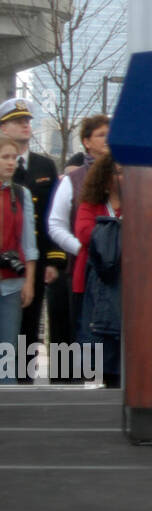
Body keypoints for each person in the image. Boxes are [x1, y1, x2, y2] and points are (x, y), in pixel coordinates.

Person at [0, 98, 60, 384]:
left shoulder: (43, 164)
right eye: (17, 121)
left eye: (28, 120)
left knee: (26, 328)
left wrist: (53, 260)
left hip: (28, 265)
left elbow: (51, 217)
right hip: (10, 265)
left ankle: (22, 390)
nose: (26, 125)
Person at [47, 113, 110, 374]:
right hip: (84, 270)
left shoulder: (126, 174)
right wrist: (83, 248)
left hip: (117, 273)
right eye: (101, 135)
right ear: (86, 141)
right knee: (83, 335)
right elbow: (55, 224)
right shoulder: (74, 180)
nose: (108, 140)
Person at [74, 152, 122, 386]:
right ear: (105, 177)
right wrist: (118, 231)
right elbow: (84, 233)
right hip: (95, 283)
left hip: (126, 287)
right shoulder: (91, 203)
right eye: (118, 173)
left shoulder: (138, 204)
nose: (123, 178)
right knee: (94, 340)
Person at [0, 135, 36, 385]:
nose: (11, 163)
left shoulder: (21, 195)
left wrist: (29, 282)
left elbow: (29, 245)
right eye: (5, 157)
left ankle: (7, 412)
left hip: (12, 284)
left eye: (14, 158)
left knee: (7, 351)